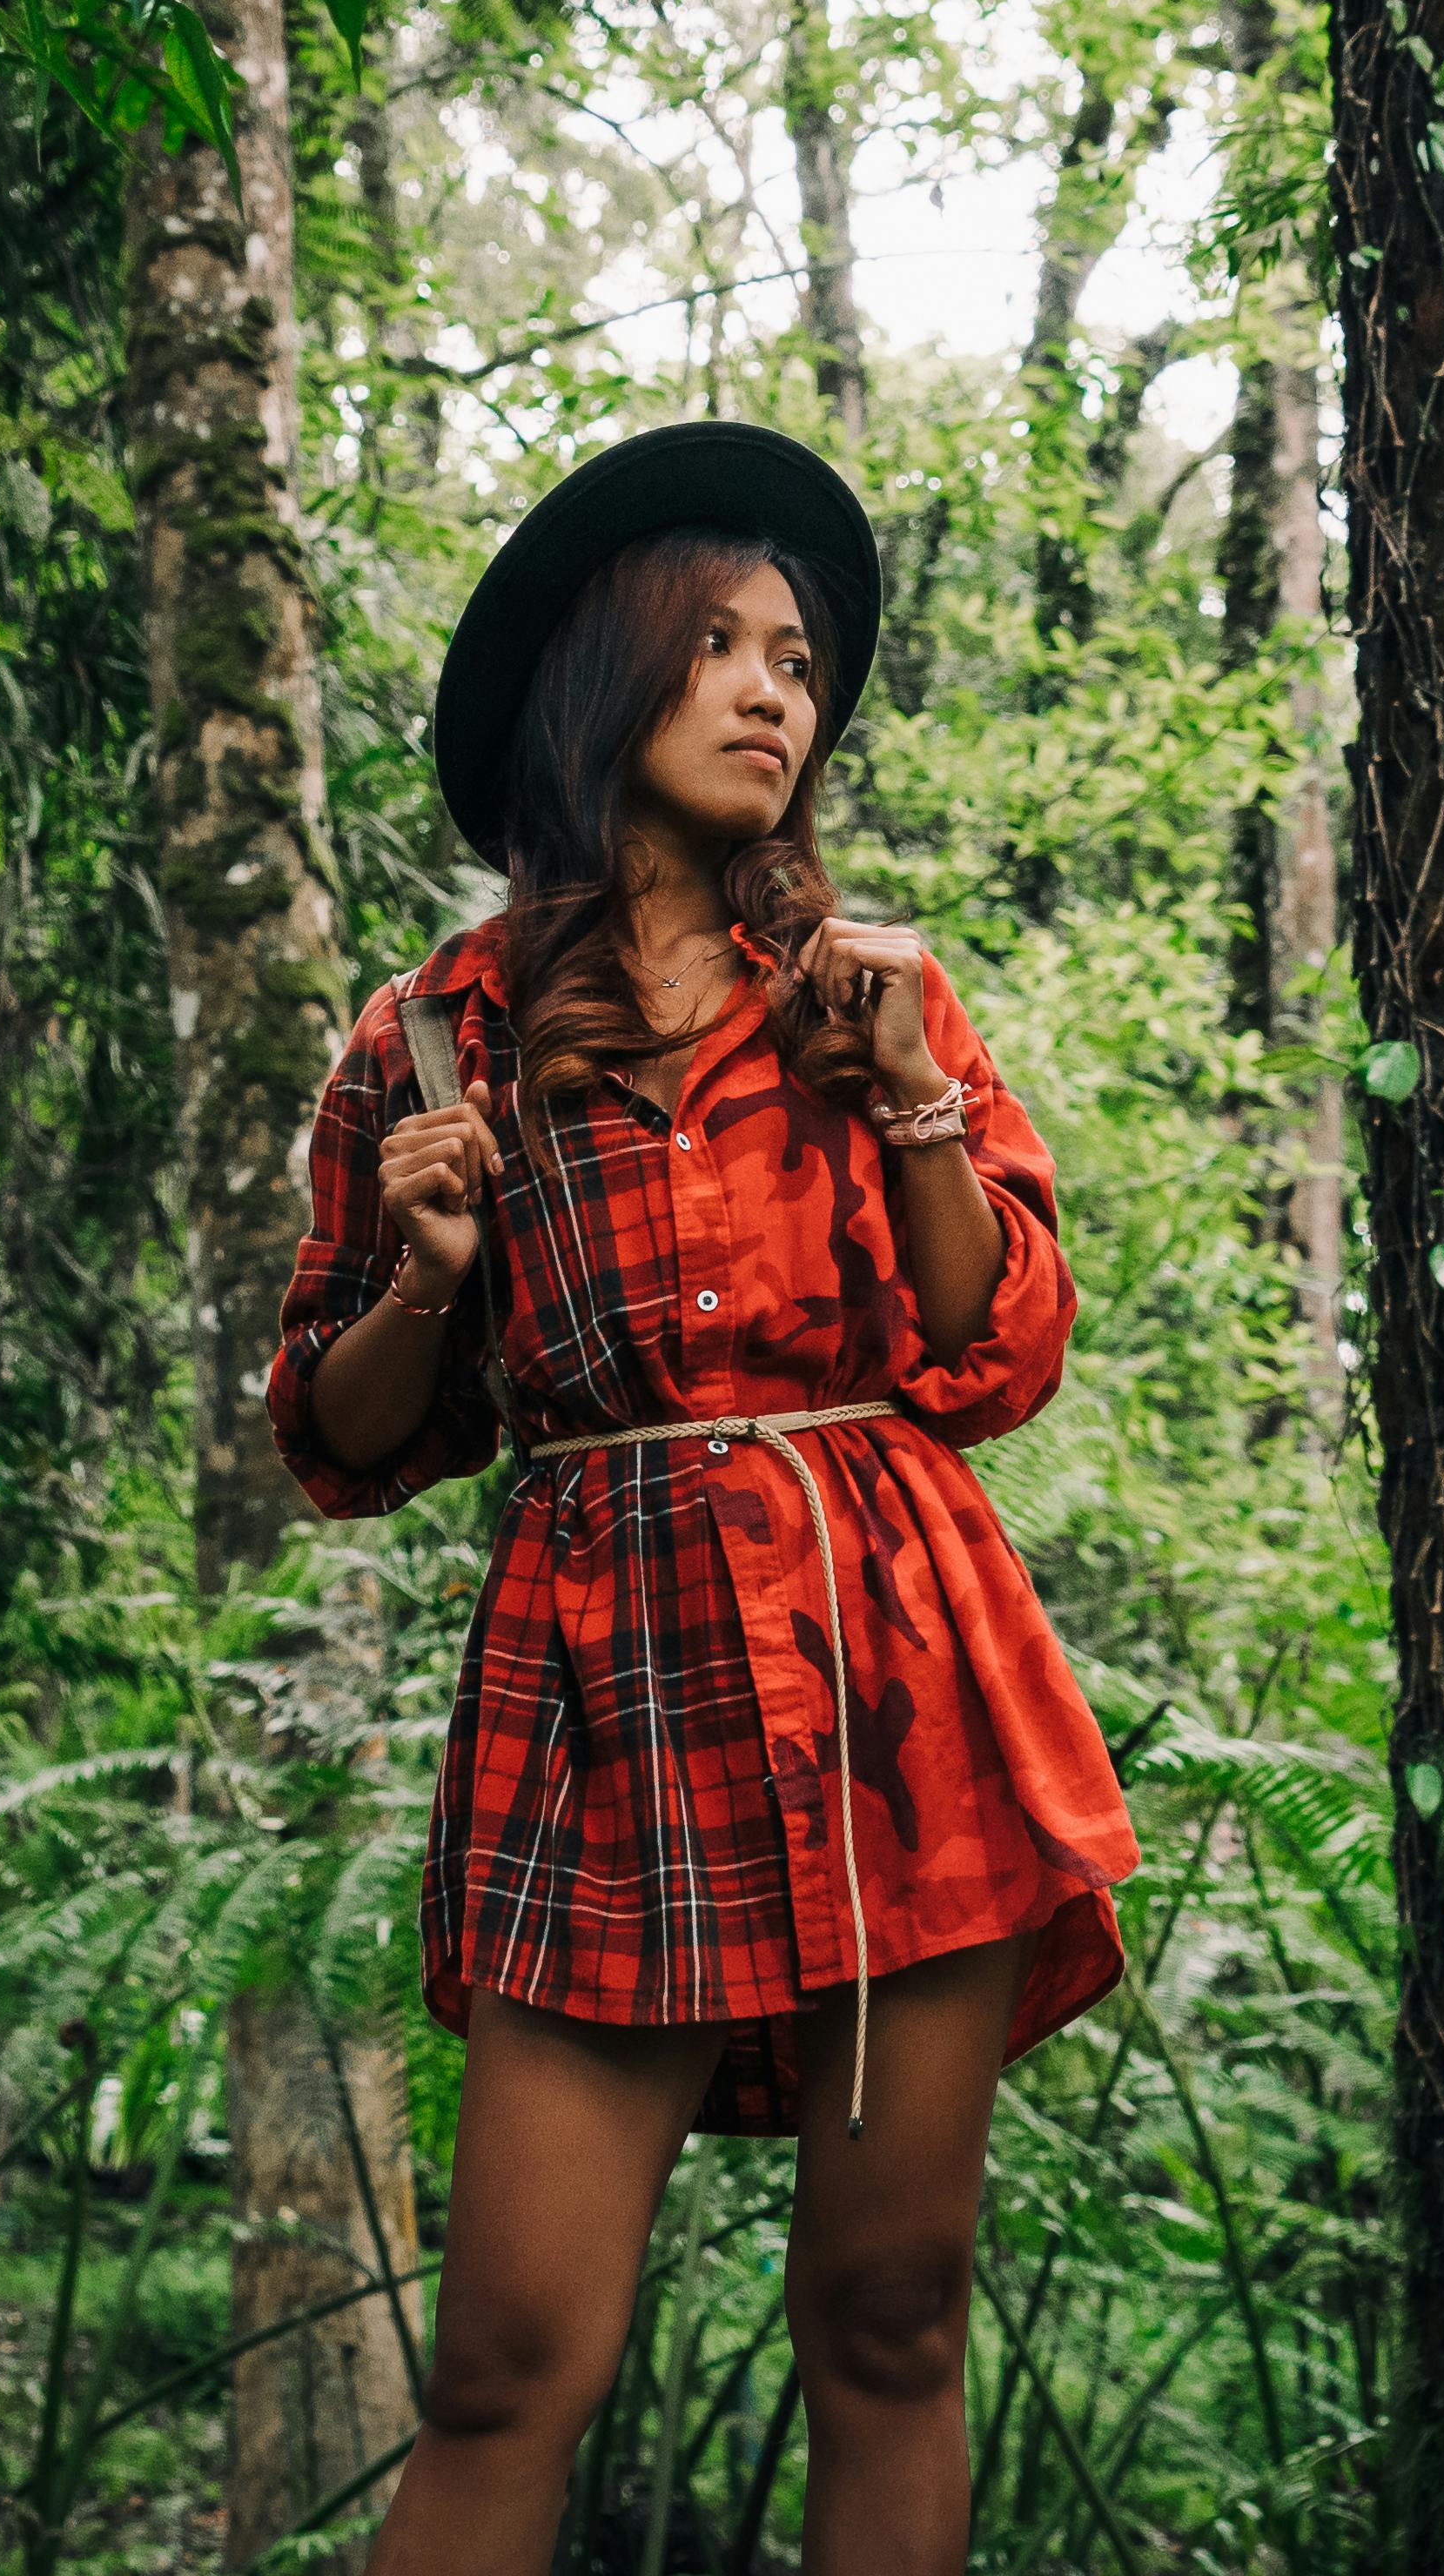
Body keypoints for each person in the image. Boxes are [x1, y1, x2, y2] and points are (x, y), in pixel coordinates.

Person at [267, 419, 1140, 2575]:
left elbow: (996, 1351)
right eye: (724, 644)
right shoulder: (429, 1040)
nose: (780, 689)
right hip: (601, 1694)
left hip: (890, 1668)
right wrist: (424, 1275)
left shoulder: (874, 996)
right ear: (607, 675)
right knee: (504, 2364)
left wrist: (918, 1096)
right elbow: (344, 1436)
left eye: (802, 658)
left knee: (886, 2316)